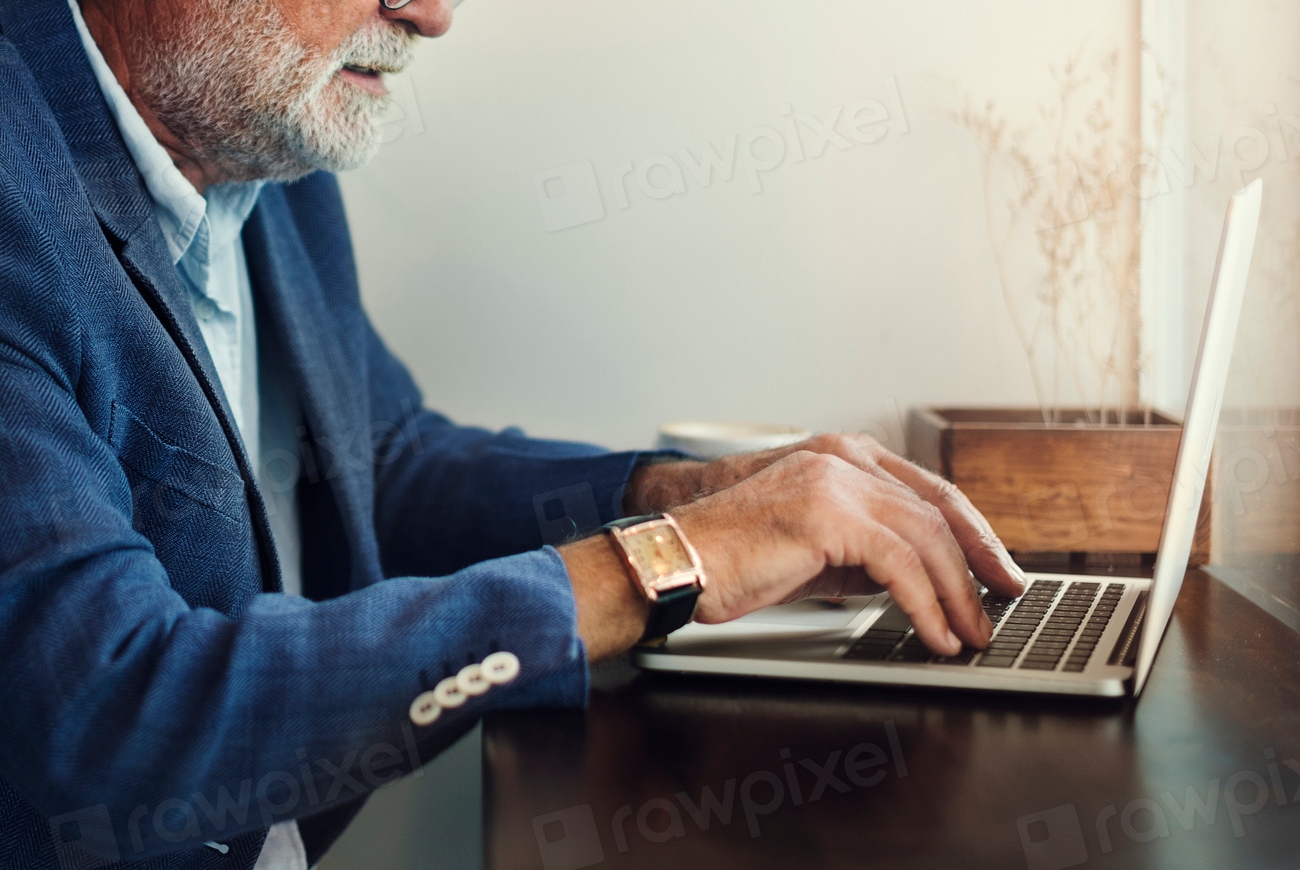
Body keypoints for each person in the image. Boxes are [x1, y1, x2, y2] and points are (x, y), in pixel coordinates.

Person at [0, 0, 1027, 867]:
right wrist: (660, 566)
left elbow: (381, 462)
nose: (433, 14)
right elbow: (107, 708)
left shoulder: (256, 136)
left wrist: (687, 500)